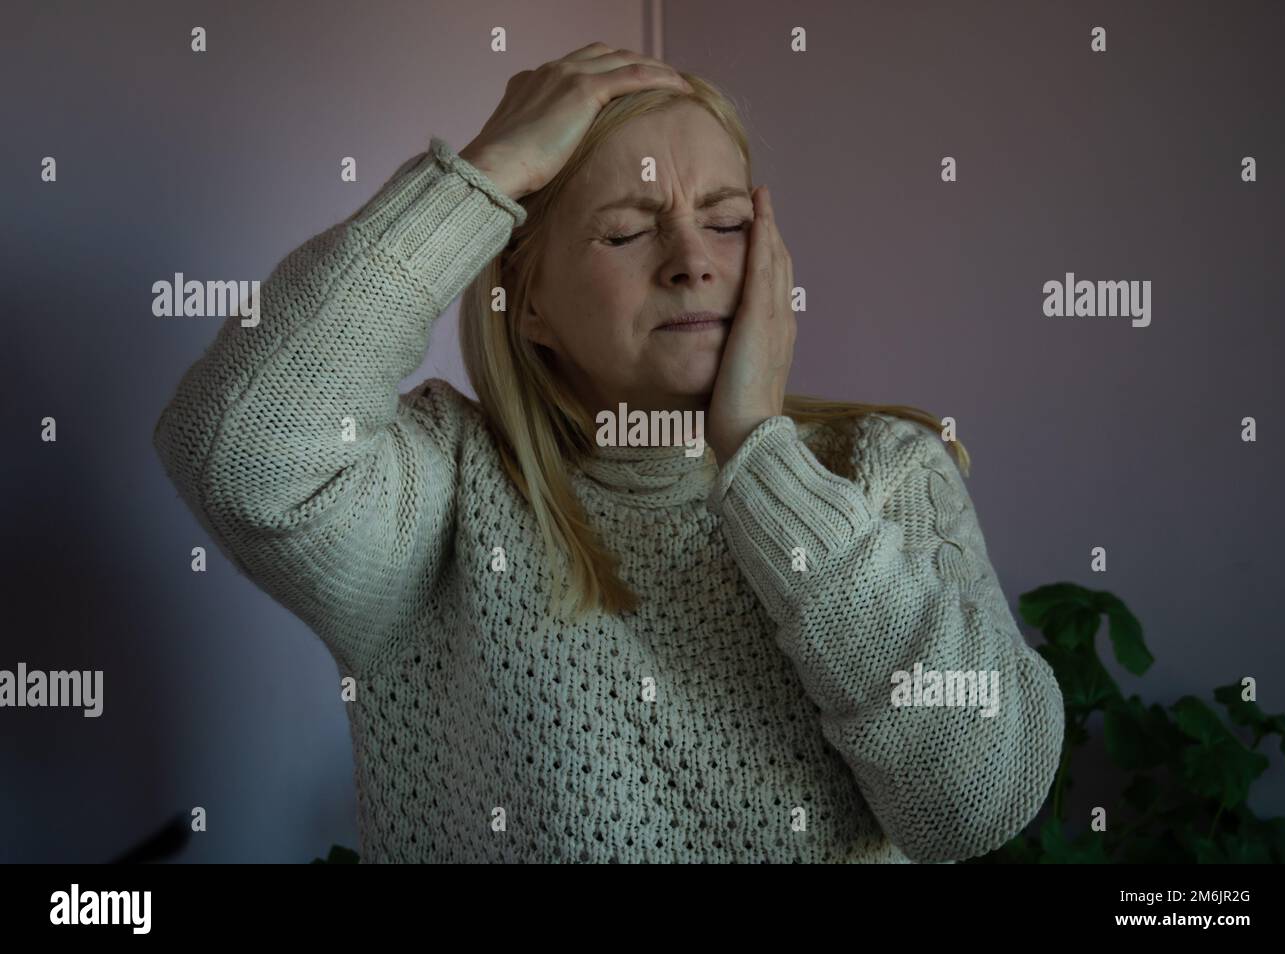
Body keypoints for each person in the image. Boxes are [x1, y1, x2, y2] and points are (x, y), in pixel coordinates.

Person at [152, 41, 1064, 863]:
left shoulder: (886, 469)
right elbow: (240, 448)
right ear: (530, 304)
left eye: (727, 220)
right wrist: (484, 173)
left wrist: (758, 454)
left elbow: (971, 803)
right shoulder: (442, 497)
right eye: (627, 230)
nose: (691, 260)